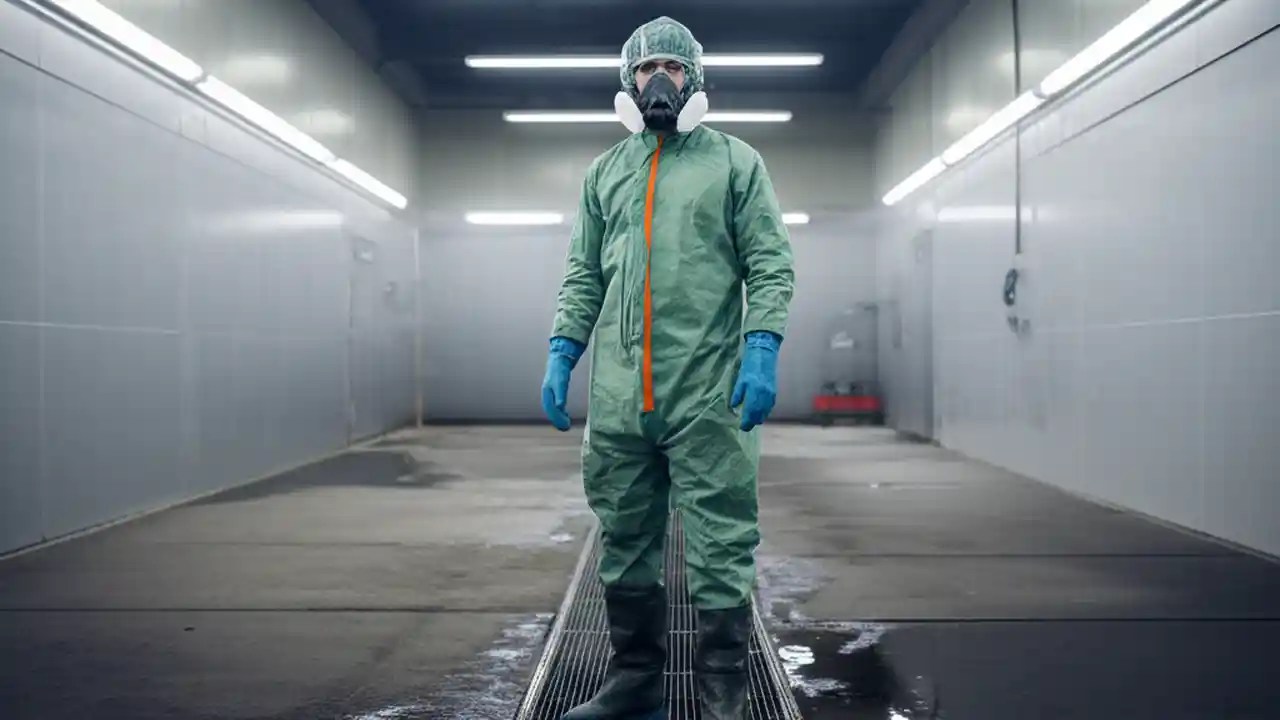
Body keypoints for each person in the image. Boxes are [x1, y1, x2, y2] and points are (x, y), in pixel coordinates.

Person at [540, 15, 794, 720]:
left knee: (721, 538)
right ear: (627, 81)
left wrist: (763, 346)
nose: (660, 81)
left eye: (673, 69)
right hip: (621, 396)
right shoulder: (606, 173)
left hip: (707, 388)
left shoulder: (736, 163)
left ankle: (722, 697)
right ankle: (636, 684)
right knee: (623, 536)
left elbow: (770, 263)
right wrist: (564, 352)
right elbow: (583, 275)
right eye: (647, 67)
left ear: (697, 79)